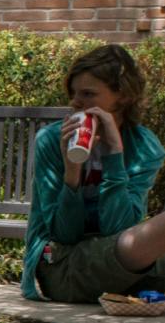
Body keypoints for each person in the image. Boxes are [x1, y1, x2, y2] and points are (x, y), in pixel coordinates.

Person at [23, 45, 165, 304]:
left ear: (122, 96)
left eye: (88, 94)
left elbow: (118, 227)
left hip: (125, 265)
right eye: (74, 93)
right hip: (61, 263)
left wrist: (114, 154)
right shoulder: (52, 140)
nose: (76, 102)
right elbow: (63, 234)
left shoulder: (145, 147)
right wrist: (72, 171)